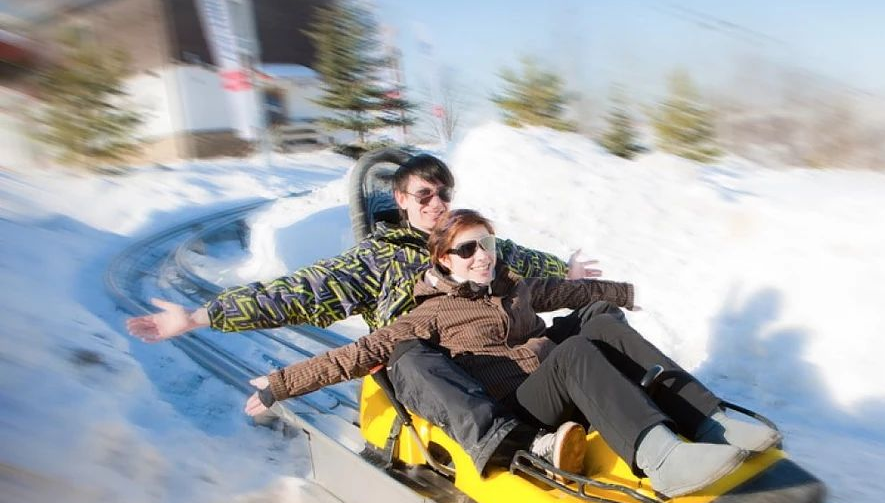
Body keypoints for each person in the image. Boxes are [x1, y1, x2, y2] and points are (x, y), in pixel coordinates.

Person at [245, 210, 780, 498]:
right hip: (516, 405)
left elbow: (568, 294)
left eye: (489, 244)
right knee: (572, 354)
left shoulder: (512, 284)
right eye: (467, 249)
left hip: (552, 378)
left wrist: (624, 293)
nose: (483, 257)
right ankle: (661, 459)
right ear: (444, 261)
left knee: (595, 321)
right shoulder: (427, 314)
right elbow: (355, 355)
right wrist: (278, 386)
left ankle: (708, 420)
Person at [127, 153, 600, 474]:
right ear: (401, 200)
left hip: (495, 359)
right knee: (417, 356)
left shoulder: (467, 241)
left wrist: (568, 271)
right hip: (434, 377)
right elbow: (296, 292)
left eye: (443, 195)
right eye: (424, 196)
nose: (437, 204)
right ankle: (506, 445)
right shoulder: (377, 261)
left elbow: (528, 264)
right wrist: (200, 316)